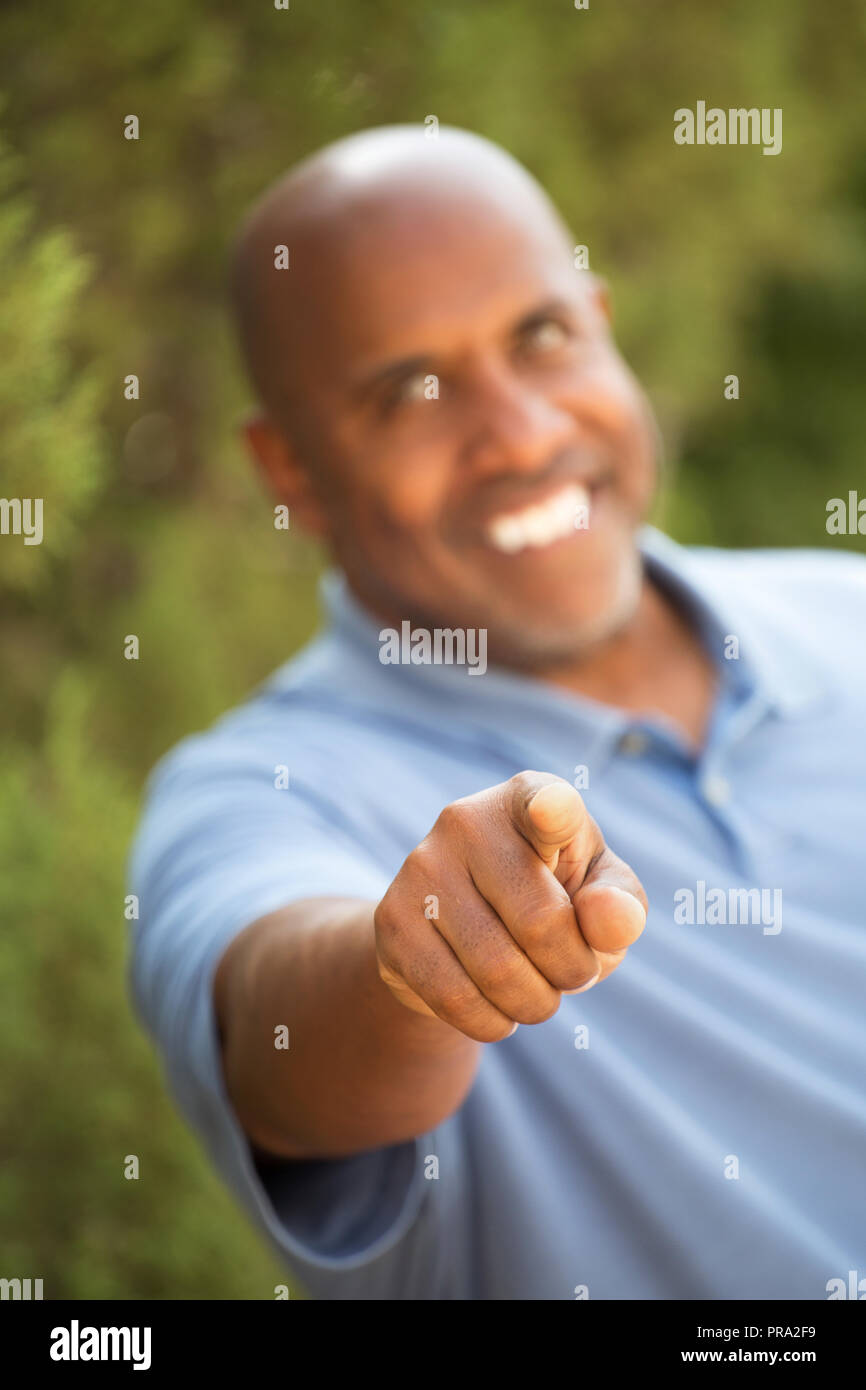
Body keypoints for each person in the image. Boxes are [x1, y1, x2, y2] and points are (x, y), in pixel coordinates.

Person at [128, 125, 866, 1301]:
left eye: (541, 337)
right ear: (292, 474)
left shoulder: (848, 610)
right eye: (407, 393)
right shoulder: (254, 793)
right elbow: (274, 1024)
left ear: (604, 330)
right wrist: (409, 965)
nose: (520, 433)